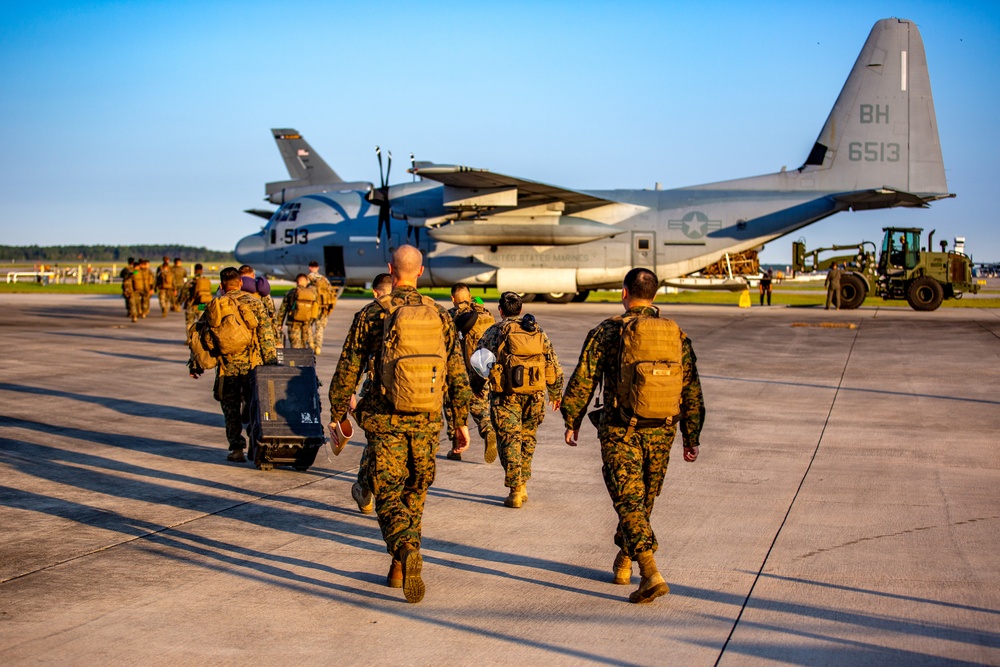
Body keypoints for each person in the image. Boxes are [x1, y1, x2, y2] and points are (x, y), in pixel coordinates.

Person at [327, 246, 471, 603]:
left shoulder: (372, 313)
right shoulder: (440, 315)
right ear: (420, 271)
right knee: (415, 492)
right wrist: (460, 422)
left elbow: (348, 367)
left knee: (388, 492)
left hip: (385, 420)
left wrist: (338, 413)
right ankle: (398, 568)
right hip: (427, 420)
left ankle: (405, 548)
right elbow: (456, 373)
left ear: (391, 269)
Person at [561, 268, 705, 604]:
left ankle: (650, 573)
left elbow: (585, 377)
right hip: (663, 429)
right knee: (642, 501)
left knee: (629, 500)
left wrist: (573, 419)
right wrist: (691, 435)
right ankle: (625, 562)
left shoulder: (608, 331)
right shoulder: (676, 335)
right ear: (654, 295)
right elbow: (691, 388)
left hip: (619, 429)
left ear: (625, 292)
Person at [477, 292, 563, 508]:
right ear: (521, 309)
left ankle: (515, 489)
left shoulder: (495, 331)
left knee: (509, 440)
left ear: (501, 310)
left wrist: (476, 387)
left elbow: (479, 360)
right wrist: (555, 392)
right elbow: (552, 361)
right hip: (535, 394)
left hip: (506, 396)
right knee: (528, 438)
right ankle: (523, 483)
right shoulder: (536, 330)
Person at [188, 266, 277, 462]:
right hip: (252, 366)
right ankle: (255, 443)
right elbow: (266, 337)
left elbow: (200, 338)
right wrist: (272, 364)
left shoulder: (215, 306)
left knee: (230, 409)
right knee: (254, 406)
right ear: (240, 283)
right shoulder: (255, 303)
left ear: (221, 286)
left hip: (226, 367)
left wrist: (195, 365)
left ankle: (237, 449)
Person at [349, 272, 394, 515]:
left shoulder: (369, 314)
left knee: (375, 443)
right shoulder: (421, 311)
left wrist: (347, 393)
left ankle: (365, 489)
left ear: (375, 291)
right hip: (412, 393)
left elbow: (353, 360)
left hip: (377, 391)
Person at [444, 282, 498, 463]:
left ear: (453, 298)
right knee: (479, 405)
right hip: (483, 369)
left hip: (460, 370)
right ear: (469, 296)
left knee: (452, 406)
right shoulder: (486, 313)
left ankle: (456, 447)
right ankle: (487, 430)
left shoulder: (451, 315)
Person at [276, 274, 317, 349]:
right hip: (306, 323)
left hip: (293, 323)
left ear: (297, 282)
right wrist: (311, 321)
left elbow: (283, 309)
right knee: (304, 345)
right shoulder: (312, 293)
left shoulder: (290, 293)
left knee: (295, 345)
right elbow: (315, 309)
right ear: (306, 282)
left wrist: (279, 324)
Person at [307, 260, 337, 356]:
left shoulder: (308, 278)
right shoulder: (324, 279)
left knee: (308, 325)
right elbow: (331, 291)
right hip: (323, 306)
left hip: (312, 306)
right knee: (319, 327)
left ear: (309, 268)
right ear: (318, 268)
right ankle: (318, 346)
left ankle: (311, 342)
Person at [179, 263, 213, 336]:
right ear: (202, 270)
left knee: (189, 322)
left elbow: (183, 291)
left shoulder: (191, 281)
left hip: (191, 304)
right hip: (202, 305)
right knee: (202, 322)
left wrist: (180, 301)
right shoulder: (206, 281)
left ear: (195, 271)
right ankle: (201, 338)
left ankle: (189, 339)